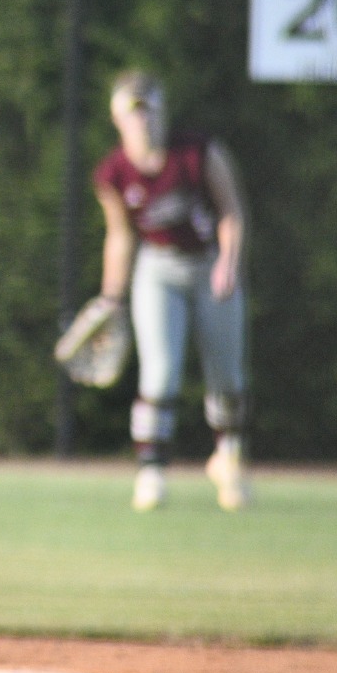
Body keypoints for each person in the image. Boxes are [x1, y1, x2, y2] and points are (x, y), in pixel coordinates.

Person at [92, 70, 250, 512]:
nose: (143, 121)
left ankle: (229, 461)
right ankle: (151, 474)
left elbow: (231, 211)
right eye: (133, 112)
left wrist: (227, 262)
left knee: (227, 377)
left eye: (149, 109)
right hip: (158, 269)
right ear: (117, 118)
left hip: (209, 266)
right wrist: (110, 297)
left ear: (163, 111)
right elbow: (120, 237)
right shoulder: (113, 173)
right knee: (159, 373)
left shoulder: (199, 153)